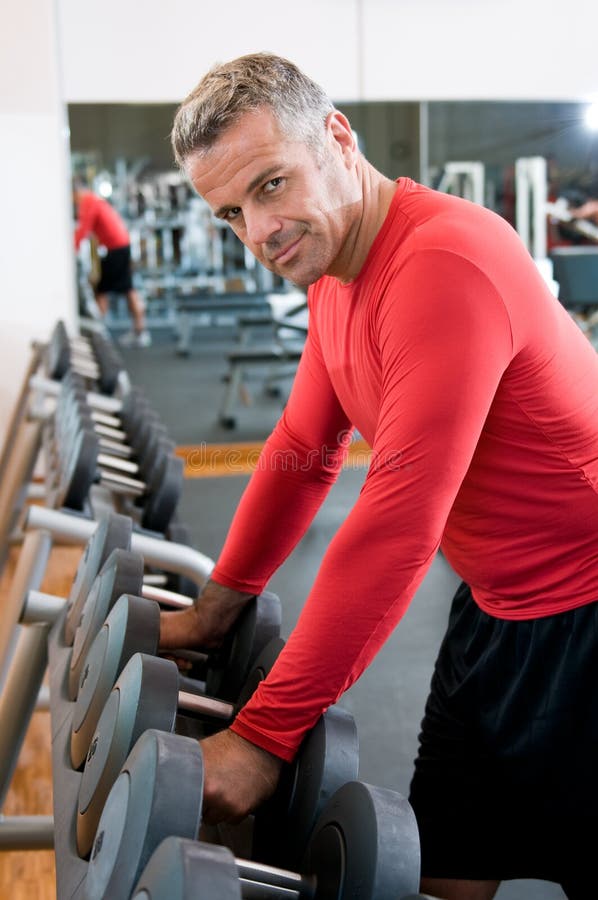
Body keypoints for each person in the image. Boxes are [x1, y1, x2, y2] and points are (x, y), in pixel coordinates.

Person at [160, 53, 598, 900]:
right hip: (496, 608)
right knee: (440, 866)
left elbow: (398, 521)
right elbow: (300, 449)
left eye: (271, 185)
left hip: (584, 615)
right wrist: (218, 608)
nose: (257, 230)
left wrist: (262, 736)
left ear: (336, 136)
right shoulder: (336, 277)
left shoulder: (443, 263)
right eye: (230, 214)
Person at [72, 180, 151, 347]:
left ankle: (98, 336)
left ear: (76, 193)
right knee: (127, 289)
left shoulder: (88, 201)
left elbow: (83, 229)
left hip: (115, 248)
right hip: (120, 246)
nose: (73, 202)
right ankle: (140, 331)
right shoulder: (95, 200)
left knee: (102, 290)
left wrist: (72, 249)